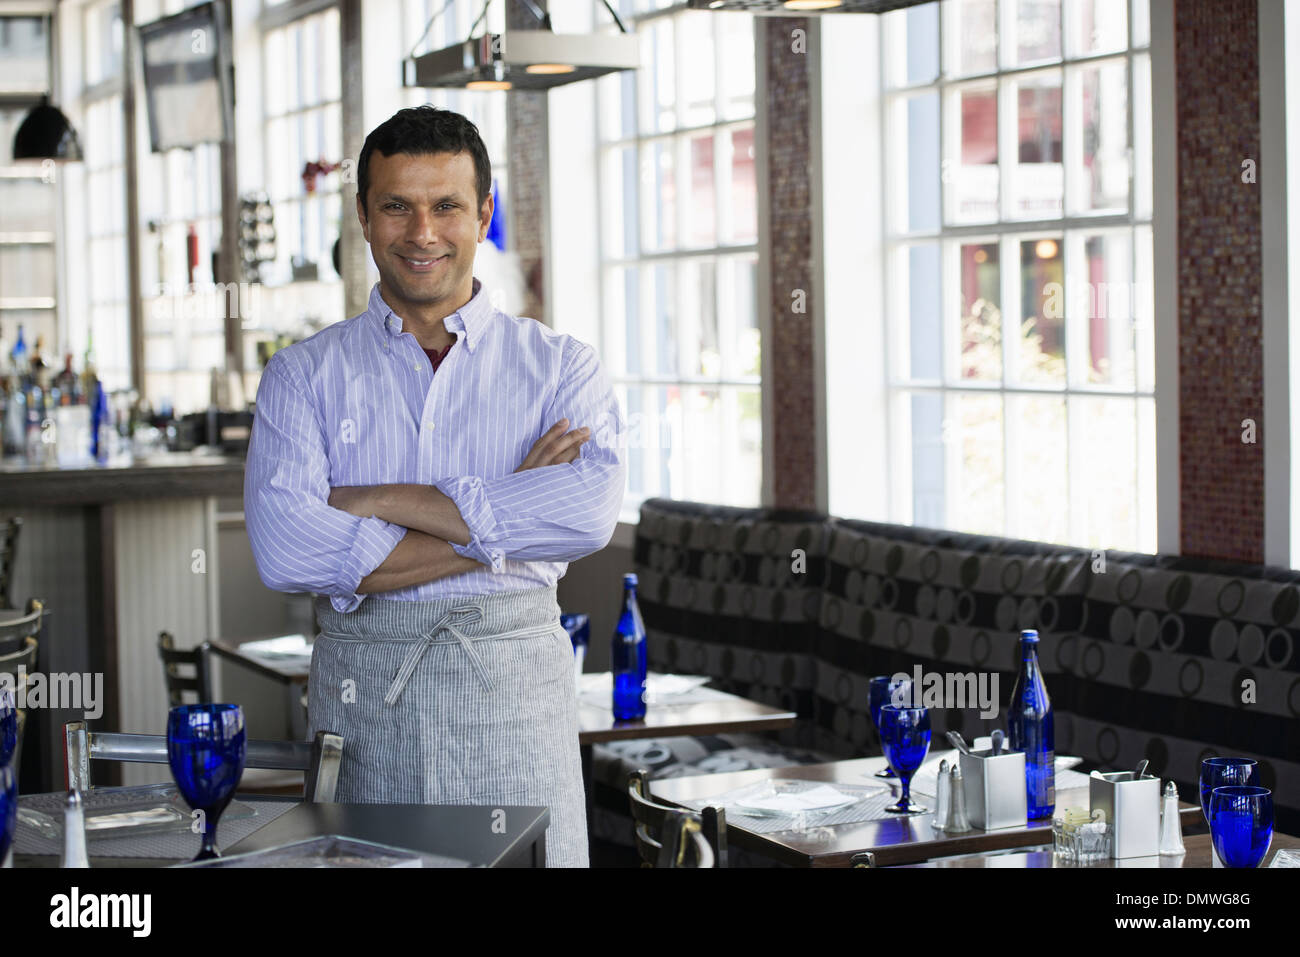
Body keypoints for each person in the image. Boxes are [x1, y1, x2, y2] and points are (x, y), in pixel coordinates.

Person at [244, 106, 626, 867]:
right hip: (365, 708)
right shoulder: (301, 375)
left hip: (516, 707)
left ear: (483, 213)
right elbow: (285, 549)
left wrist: (374, 497)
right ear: (363, 215)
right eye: (397, 205)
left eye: (447, 205)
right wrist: (511, 506)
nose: (422, 232)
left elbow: (585, 514)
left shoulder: (562, 368)